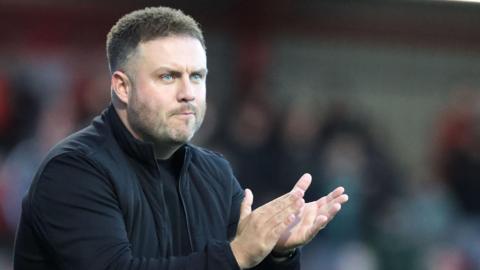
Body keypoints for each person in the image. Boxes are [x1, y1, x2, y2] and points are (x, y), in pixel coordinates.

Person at [13, 6, 348, 270]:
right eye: (168, 76)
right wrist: (236, 256)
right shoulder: (73, 171)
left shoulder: (215, 174)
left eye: (197, 77)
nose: (188, 93)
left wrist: (276, 254)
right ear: (121, 87)